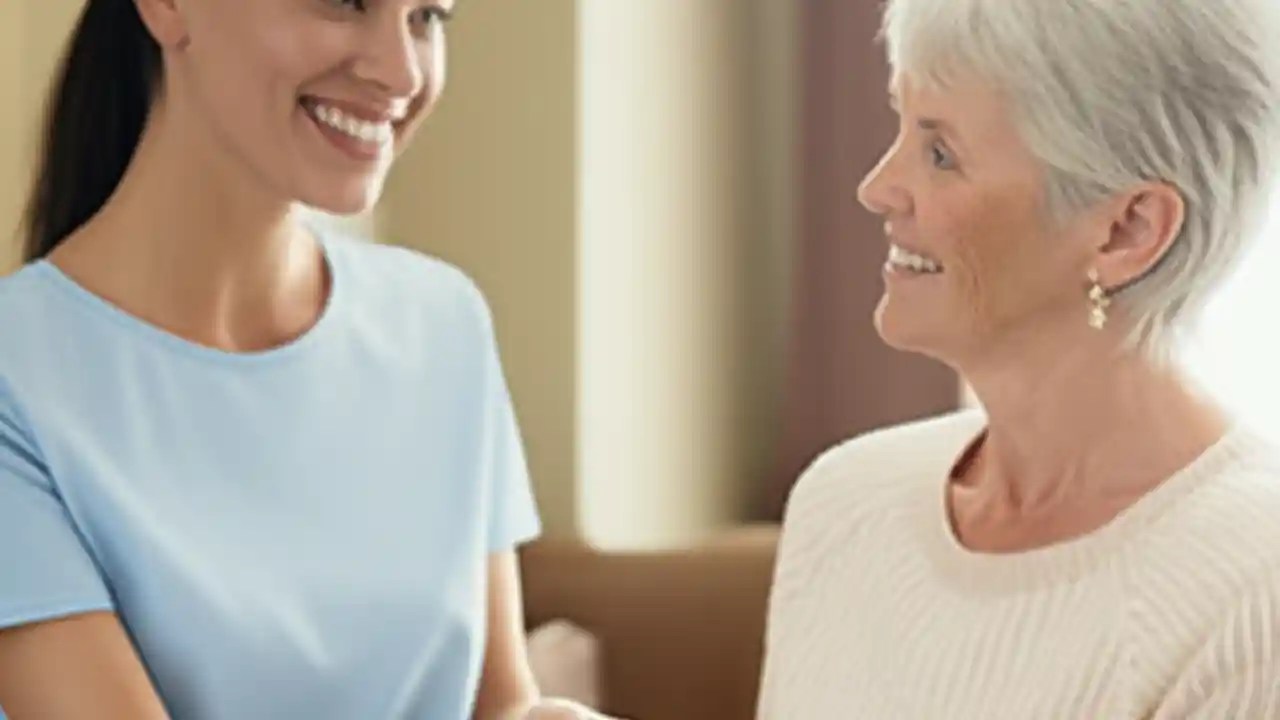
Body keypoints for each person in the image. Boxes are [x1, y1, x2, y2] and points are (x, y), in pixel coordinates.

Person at [0, 1, 614, 718]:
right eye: (343, 0)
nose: (401, 71)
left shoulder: (444, 324)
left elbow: (499, 704)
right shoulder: (21, 383)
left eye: (427, 16)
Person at [757, 0, 1280, 716]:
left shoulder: (1256, 590)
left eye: (940, 153)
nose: (877, 187)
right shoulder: (843, 502)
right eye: (900, 127)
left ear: (1127, 230)